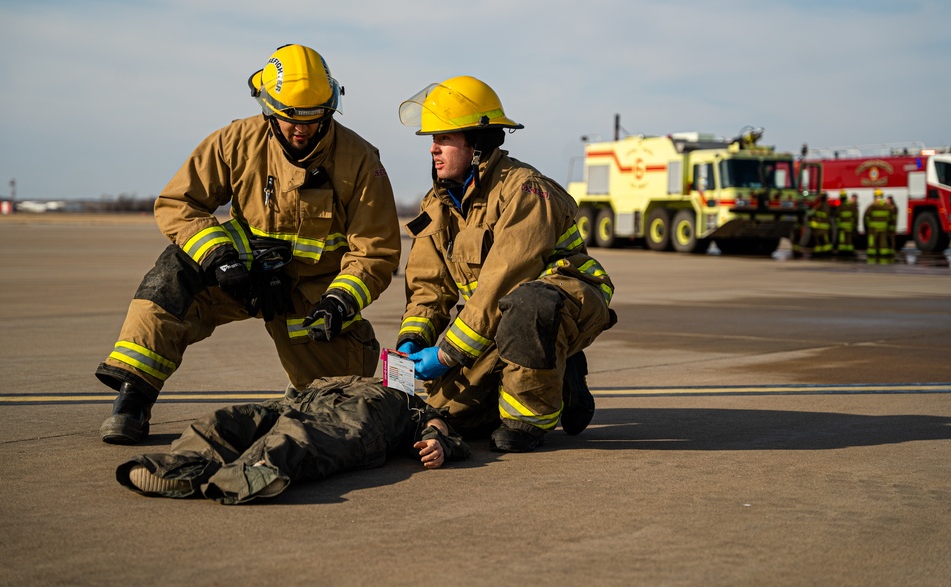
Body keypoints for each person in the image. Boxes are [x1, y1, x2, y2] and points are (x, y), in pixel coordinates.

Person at [95, 44, 402, 444]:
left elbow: (375, 250)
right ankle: (132, 397)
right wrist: (219, 259)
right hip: (239, 275)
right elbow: (178, 203)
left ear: (330, 108)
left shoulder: (360, 160)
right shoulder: (235, 141)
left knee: (344, 408)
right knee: (174, 274)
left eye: (314, 118)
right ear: (268, 107)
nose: (302, 129)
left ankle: (309, 396)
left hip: (314, 297)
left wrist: (339, 302)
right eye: (291, 118)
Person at [394, 76, 617, 453]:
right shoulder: (436, 205)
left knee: (529, 304)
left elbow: (504, 280)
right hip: (499, 315)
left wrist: (448, 353)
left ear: (479, 143)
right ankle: (561, 377)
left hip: (564, 304)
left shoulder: (525, 191)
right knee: (450, 414)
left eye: (445, 138)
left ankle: (528, 422)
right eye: (432, 139)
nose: (433, 148)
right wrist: (412, 339)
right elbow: (428, 287)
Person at [116, 376, 470, 505]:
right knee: (226, 420)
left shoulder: (411, 401)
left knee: (295, 437)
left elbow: (436, 424)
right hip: (300, 402)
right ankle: (181, 469)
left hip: (353, 426)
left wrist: (437, 441)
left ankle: (246, 477)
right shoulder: (353, 376)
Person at [864, 188, 893, 264]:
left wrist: (867, 228)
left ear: (874, 197)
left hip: (873, 230)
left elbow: (866, 218)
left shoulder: (871, 206)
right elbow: (890, 218)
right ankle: (883, 256)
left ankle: (872, 256)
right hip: (883, 229)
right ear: (882, 196)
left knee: (872, 246)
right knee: (883, 245)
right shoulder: (887, 207)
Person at [833, 190, 857, 256]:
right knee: (849, 240)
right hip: (849, 226)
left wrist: (838, 225)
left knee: (842, 240)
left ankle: (842, 251)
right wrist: (854, 225)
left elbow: (837, 217)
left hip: (842, 227)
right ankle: (850, 251)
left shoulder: (839, 206)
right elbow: (854, 216)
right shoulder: (851, 205)